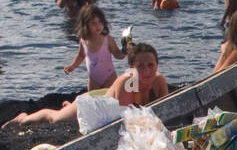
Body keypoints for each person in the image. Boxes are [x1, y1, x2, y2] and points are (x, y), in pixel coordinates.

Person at [3, 42, 168, 128]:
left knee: (67, 112)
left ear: (157, 65)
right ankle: (23, 118)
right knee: (55, 118)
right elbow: (124, 118)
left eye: (151, 65)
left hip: (107, 97)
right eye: (141, 66)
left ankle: (69, 105)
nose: (146, 70)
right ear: (132, 67)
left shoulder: (159, 80)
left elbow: (165, 110)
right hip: (95, 105)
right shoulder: (127, 82)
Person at [63, 4, 125, 90]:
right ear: (86, 25)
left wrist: (125, 51)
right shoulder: (84, 41)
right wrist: (72, 66)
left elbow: (117, 54)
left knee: (110, 100)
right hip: (93, 79)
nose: (98, 26)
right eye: (93, 23)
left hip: (109, 76)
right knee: (93, 100)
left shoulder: (107, 39)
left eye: (100, 22)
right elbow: (81, 55)